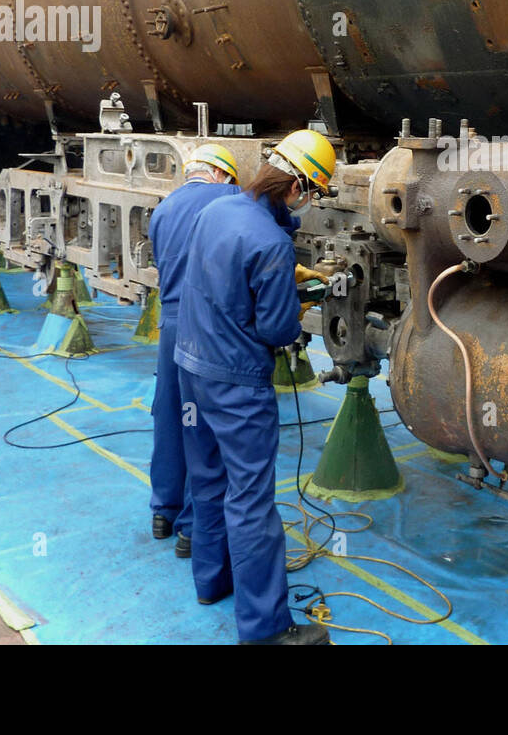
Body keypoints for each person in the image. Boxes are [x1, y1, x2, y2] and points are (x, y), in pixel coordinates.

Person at [174, 128, 336, 645]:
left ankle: (211, 580)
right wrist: (297, 300)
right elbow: (276, 330)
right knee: (251, 501)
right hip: (236, 385)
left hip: (190, 366)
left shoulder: (216, 209)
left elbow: (219, 276)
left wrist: (281, 277)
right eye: (312, 193)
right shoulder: (270, 243)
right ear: (299, 188)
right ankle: (266, 629)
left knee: (207, 478)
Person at [146, 144, 243, 559]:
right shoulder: (228, 197)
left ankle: (163, 512)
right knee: (199, 426)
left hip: (169, 324)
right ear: (223, 174)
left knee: (169, 414)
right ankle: (191, 528)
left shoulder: (163, 208)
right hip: (202, 327)